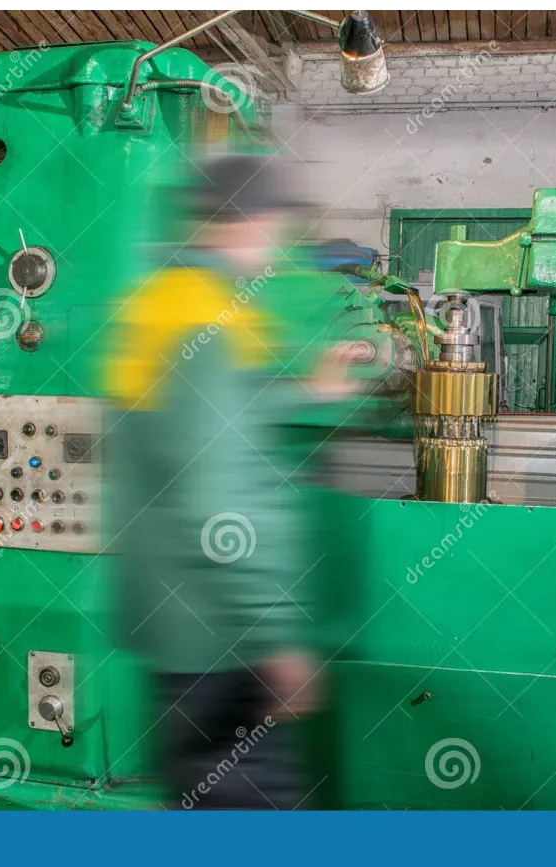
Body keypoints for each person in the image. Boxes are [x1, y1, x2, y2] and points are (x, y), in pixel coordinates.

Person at [105, 154, 359, 809]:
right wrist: (275, 638)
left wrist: (312, 390)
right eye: (277, 225)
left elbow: (211, 418)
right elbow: (212, 497)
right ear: (250, 222)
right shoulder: (211, 319)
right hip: (218, 635)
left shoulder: (168, 301)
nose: (279, 243)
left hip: (180, 622)